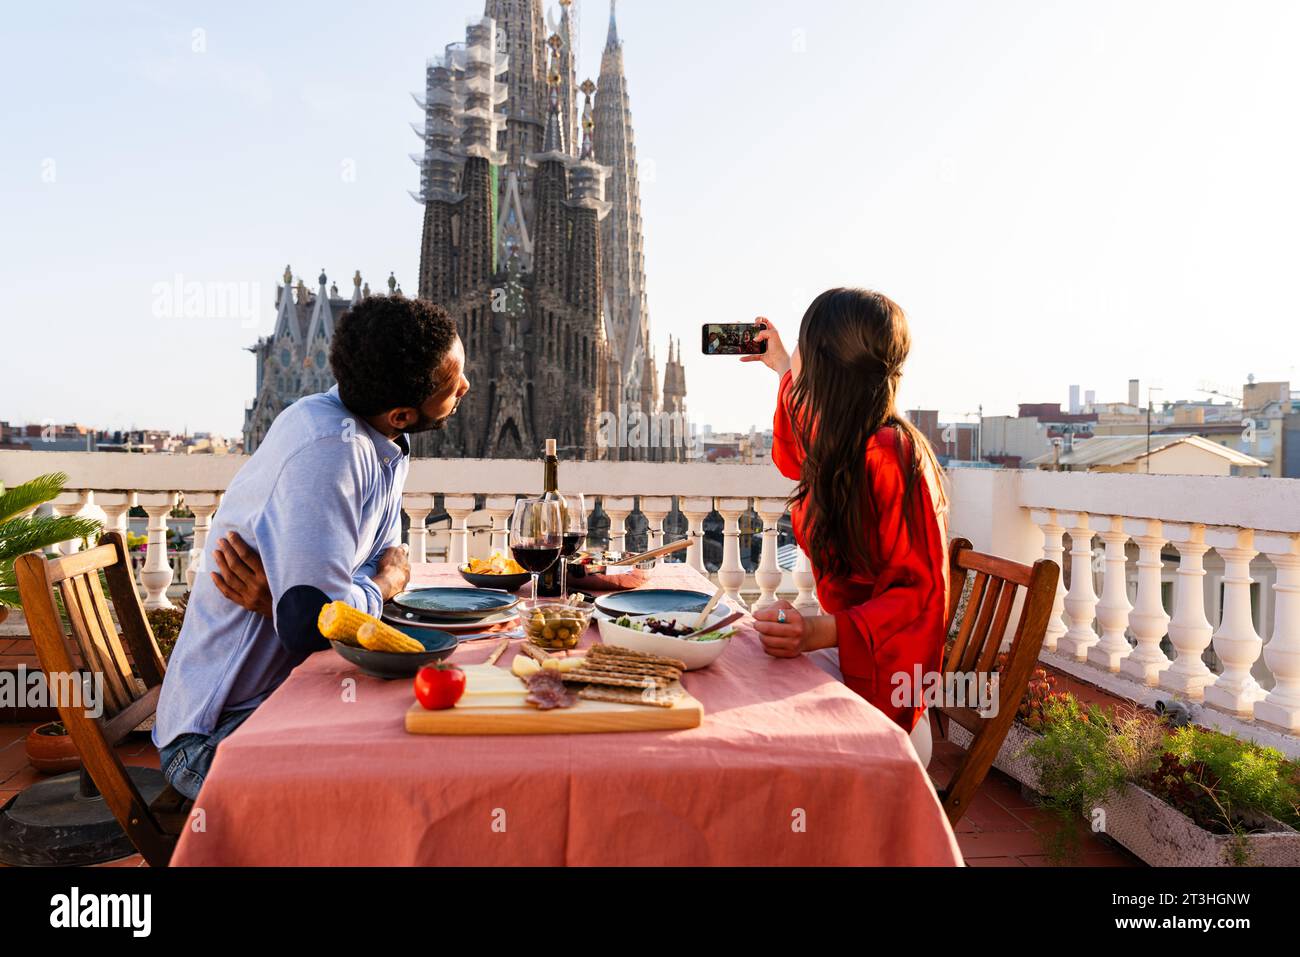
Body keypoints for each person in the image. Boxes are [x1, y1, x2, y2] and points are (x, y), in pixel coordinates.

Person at [153, 295, 470, 799]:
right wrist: (376, 588)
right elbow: (313, 625)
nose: (465, 387)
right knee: (414, 778)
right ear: (404, 413)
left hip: (288, 694)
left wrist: (288, 600)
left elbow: (372, 564)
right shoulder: (332, 451)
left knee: (435, 735)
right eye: (453, 382)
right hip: (216, 738)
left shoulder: (377, 437)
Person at [742, 288, 949, 766]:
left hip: (879, 695)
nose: (799, 357)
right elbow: (798, 453)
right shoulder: (857, 444)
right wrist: (780, 368)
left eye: (805, 349)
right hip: (855, 665)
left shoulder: (890, 455)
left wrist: (816, 632)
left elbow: (917, 596)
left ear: (828, 367)